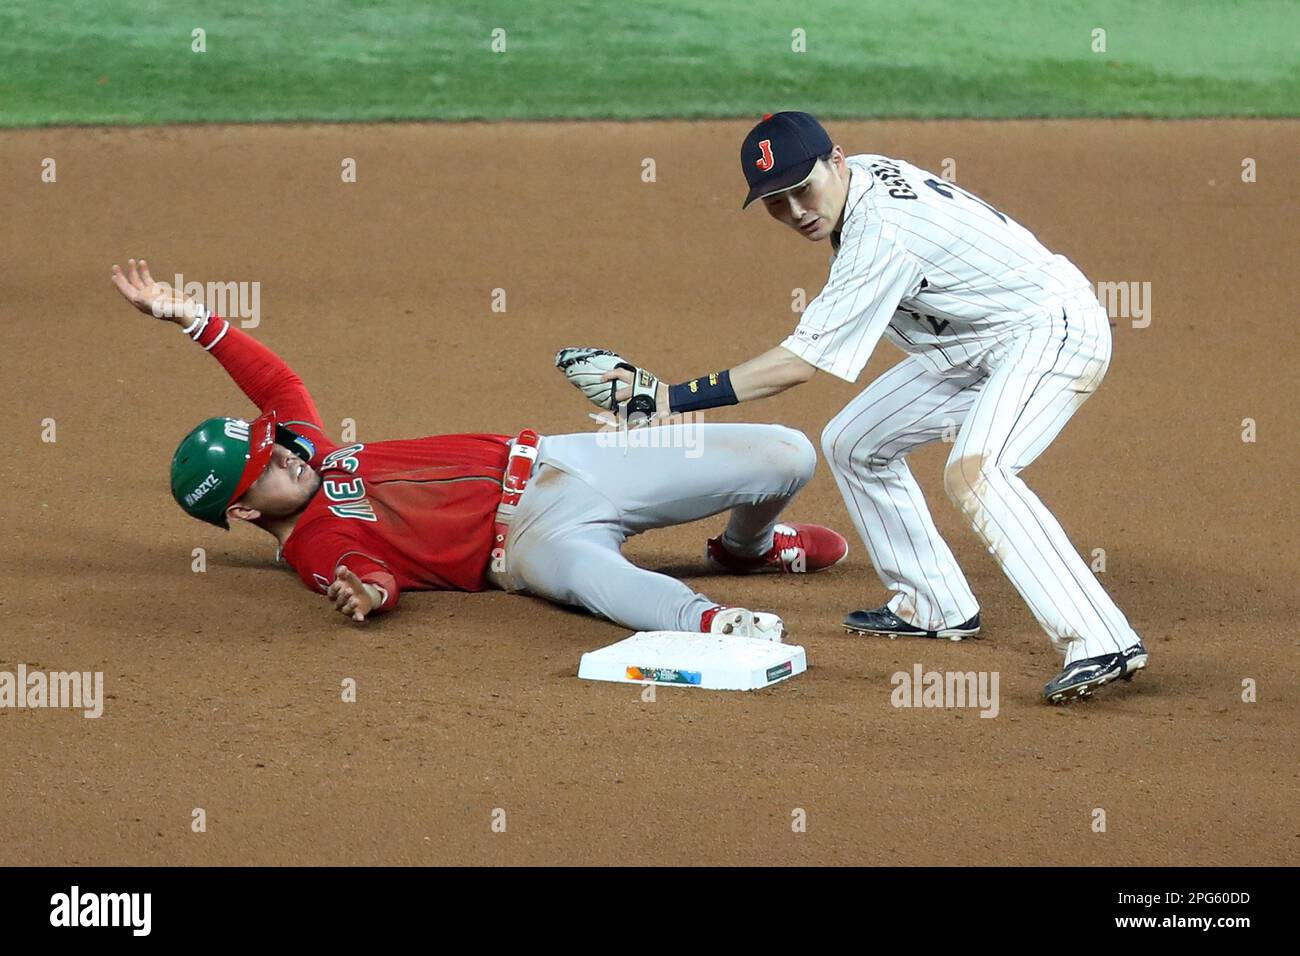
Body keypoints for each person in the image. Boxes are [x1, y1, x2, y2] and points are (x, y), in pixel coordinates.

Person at [592, 112, 1147, 703]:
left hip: (1048, 330)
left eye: (803, 189)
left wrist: (672, 399)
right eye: (776, 202)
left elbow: (799, 364)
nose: (796, 211)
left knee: (978, 473)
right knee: (855, 443)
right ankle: (933, 603)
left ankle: (1101, 640)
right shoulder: (862, 185)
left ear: (836, 160)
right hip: (974, 343)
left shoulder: (881, 232)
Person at [110, 258, 848, 640]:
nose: (288, 456)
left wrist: (191, 319)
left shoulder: (317, 452)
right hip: (529, 543)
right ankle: (712, 623)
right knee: (602, 585)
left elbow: (277, 382)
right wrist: (364, 593)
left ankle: (747, 549)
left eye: (275, 446)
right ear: (241, 512)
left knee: (787, 454)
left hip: (569, 461)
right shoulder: (313, 544)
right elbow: (363, 573)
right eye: (267, 467)